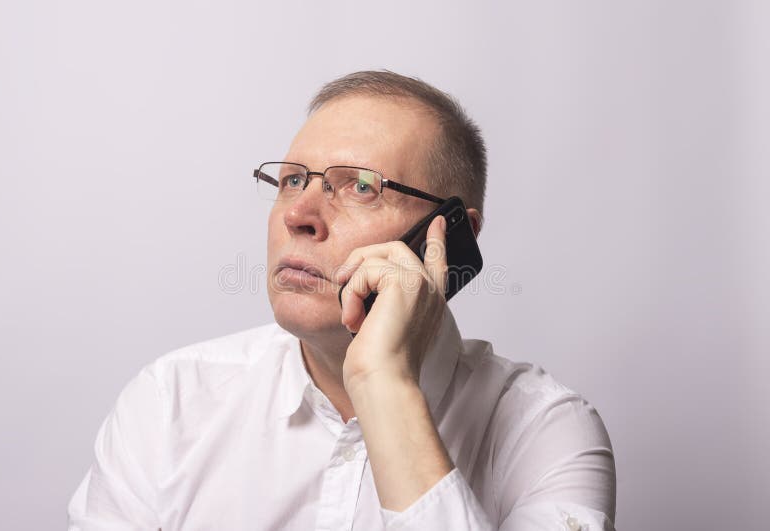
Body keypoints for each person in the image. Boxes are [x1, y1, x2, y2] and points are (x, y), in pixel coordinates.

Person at [68, 70, 616, 530]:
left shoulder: (544, 430)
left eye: (360, 186)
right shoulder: (170, 404)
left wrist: (384, 384)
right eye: (291, 181)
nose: (298, 216)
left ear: (447, 236)